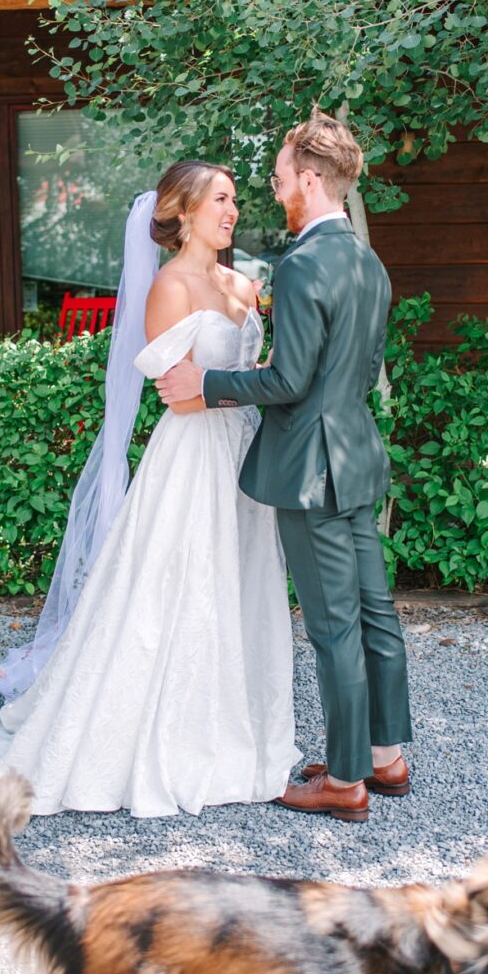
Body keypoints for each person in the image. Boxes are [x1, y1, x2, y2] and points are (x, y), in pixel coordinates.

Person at [0, 162, 297, 818]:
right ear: (183, 211)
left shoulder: (246, 287)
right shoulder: (170, 286)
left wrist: (249, 385)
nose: (233, 211)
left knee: (239, 583)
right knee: (180, 588)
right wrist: (239, 386)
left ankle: (233, 721)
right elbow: (179, 399)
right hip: (192, 460)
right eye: (220, 199)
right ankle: (169, 730)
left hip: (245, 455)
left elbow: (250, 376)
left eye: (236, 200)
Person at [156, 111, 414, 822]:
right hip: (357, 456)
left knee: (334, 626)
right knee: (374, 614)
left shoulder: (304, 264)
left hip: (313, 467)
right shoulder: (367, 261)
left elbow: (290, 380)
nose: (273, 193)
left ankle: (344, 781)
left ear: (309, 179)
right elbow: (353, 370)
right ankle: (387, 756)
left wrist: (207, 386)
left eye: (276, 179)